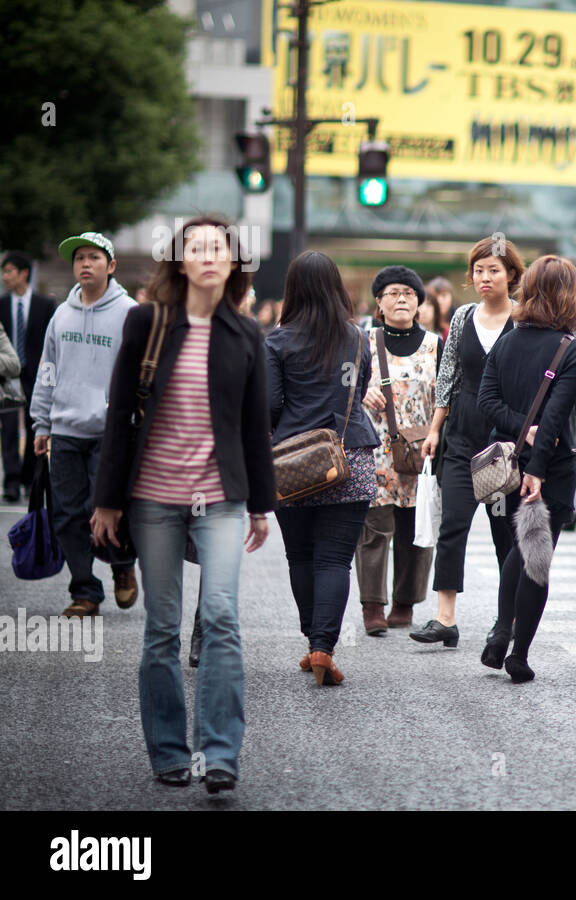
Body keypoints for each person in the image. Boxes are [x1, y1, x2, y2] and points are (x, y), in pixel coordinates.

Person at [90, 216, 274, 794]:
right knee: (162, 628)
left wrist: (261, 505)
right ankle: (170, 752)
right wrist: (107, 502)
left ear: (232, 263)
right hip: (152, 499)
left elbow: (254, 428)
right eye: (195, 247)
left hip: (220, 497)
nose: (208, 256)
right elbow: (119, 414)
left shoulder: (246, 335)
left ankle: (220, 754)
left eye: (218, 248)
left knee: (220, 617)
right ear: (180, 261)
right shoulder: (147, 322)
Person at [266, 251, 379, 686]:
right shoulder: (356, 336)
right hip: (349, 456)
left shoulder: (276, 341)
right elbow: (360, 388)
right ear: (337, 287)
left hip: (291, 463)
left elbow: (270, 405)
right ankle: (323, 648)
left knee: (300, 556)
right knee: (335, 558)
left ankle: (312, 640)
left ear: (292, 289)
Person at [477, 255, 576, 683]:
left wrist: (520, 432)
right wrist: (537, 466)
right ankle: (518, 653)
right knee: (535, 558)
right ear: (568, 296)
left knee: (515, 552)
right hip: (549, 470)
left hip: (503, 463)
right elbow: (557, 418)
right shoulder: (570, 349)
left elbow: (487, 401)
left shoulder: (508, 339)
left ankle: (501, 629)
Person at [410, 238, 524, 647]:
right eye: (478, 270)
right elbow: (449, 375)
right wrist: (435, 428)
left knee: (504, 534)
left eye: (493, 270)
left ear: (511, 274)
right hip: (461, 432)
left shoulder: (525, 318)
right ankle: (445, 618)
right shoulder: (462, 317)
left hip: (506, 442)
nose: (485, 278)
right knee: (453, 524)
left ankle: (505, 619)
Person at [30, 232, 138, 617]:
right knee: (67, 513)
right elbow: (47, 370)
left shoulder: (129, 312)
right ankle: (85, 591)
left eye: (93, 258)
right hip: (65, 430)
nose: (85, 265)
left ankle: (123, 567)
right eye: (79, 259)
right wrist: (41, 424)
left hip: (111, 433)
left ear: (110, 266)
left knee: (108, 507)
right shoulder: (62, 314)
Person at [354, 267, 440, 636]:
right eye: (392, 293)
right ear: (379, 303)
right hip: (375, 452)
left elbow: (448, 396)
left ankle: (405, 602)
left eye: (408, 292)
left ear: (419, 302)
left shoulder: (437, 345)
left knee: (416, 527)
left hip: (425, 450)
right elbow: (342, 388)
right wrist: (359, 394)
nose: (401, 298)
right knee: (374, 528)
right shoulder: (362, 342)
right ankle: (373, 604)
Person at [0, 251, 57, 502]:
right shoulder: (1, 304)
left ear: (24, 273)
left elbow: (51, 342)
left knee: (36, 427)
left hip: (37, 374)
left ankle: (28, 478)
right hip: (8, 375)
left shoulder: (45, 305)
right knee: (9, 428)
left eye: (9, 271)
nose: (4, 276)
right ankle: (11, 482)